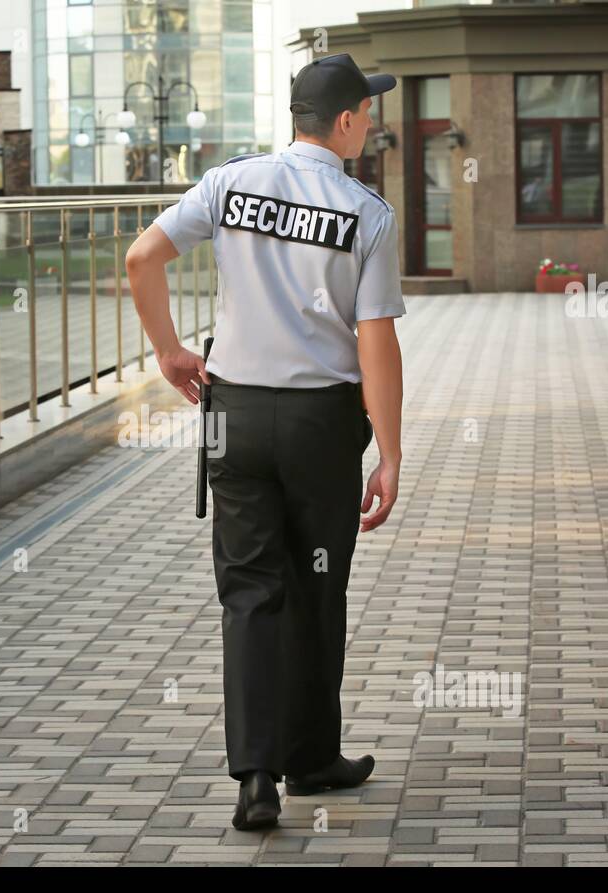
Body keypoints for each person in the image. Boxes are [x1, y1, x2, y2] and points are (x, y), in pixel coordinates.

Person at [125, 53, 406, 831]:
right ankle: (313, 756)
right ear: (345, 123)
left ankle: (257, 778)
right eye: (367, 112)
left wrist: (169, 352)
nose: (372, 123)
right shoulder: (367, 213)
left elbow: (141, 257)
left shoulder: (229, 183)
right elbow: (376, 343)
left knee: (249, 595)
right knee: (316, 589)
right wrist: (389, 451)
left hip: (234, 418)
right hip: (319, 426)